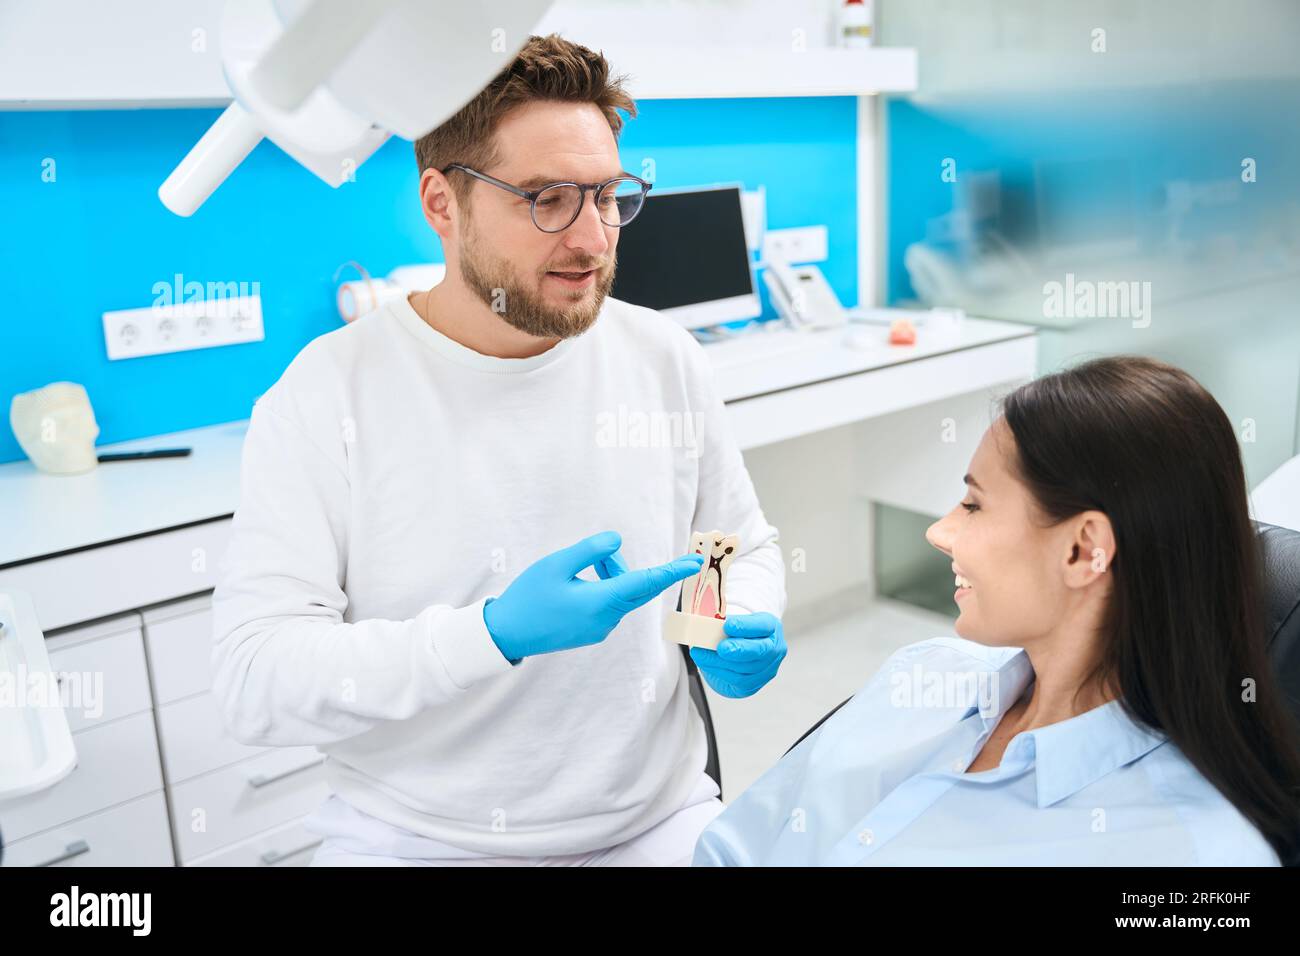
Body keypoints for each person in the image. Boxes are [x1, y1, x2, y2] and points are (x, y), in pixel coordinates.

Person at [211, 33, 788, 867]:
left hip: (656, 821)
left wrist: (739, 616)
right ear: (442, 204)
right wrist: (489, 636)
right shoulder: (326, 397)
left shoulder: (663, 355)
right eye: (548, 198)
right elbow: (256, 684)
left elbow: (734, 540)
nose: (593, 239)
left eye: (608, 194)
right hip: (417, 840)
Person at [694, 355, 1300, 866]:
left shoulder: (1194, 856)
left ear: (1084, 550)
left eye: (974, 505)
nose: (940, 532)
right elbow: (732, 850)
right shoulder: (920, 674)